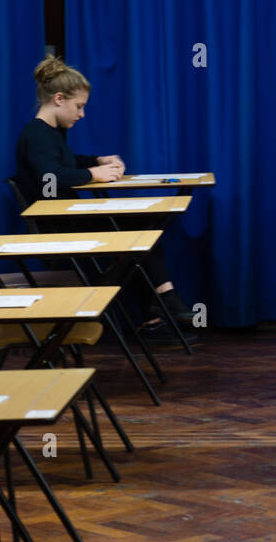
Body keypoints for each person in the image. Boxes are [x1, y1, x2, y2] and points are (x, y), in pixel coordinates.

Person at [14, 56, 192, 339]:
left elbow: (67, 164)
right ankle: (163, 303)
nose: (82, 114)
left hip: (66, 216)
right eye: (79, 106)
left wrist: (98, 160)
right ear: (59, 99)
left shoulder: (51, 133)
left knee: (144, 228)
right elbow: (51, 177)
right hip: (56, 225)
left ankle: (156, 311)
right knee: (142, 229)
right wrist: (94, 174)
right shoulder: (35, 135)